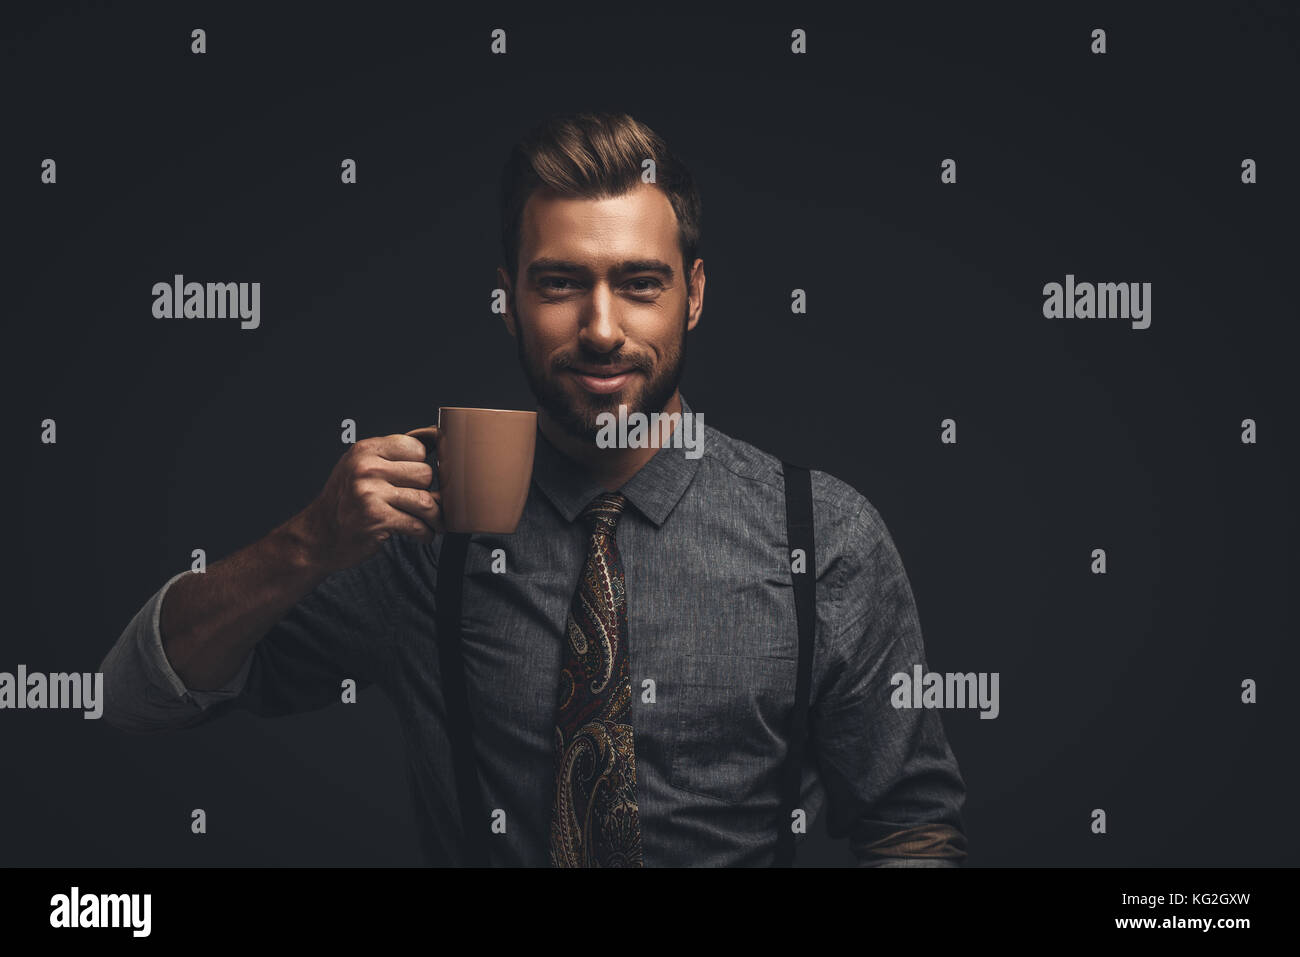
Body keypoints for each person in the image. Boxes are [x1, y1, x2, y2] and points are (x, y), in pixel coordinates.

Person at [100, 111, 969, 867]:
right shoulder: (421, 528)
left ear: (693, 295)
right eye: (559, 283)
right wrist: (309, 541)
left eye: (639, 284)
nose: (601, 328)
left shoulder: (822, 536)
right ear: (508, 299)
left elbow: (911, 827)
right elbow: (138, 696)